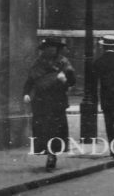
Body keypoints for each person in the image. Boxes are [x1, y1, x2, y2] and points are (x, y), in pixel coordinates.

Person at [23, 37, 75, 172]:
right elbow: (30, 80)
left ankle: (52, 155)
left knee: (55, 130)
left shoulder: (63, 62)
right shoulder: (38, 63)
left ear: (57, 49)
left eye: (53, 47)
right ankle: (47, 152)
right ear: (45, 49)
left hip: (57, 101)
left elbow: (72, 80)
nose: (51, 50)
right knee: (43, 130)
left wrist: (65, 79)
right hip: (41, 102)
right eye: (48, 47)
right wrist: (26, 93)